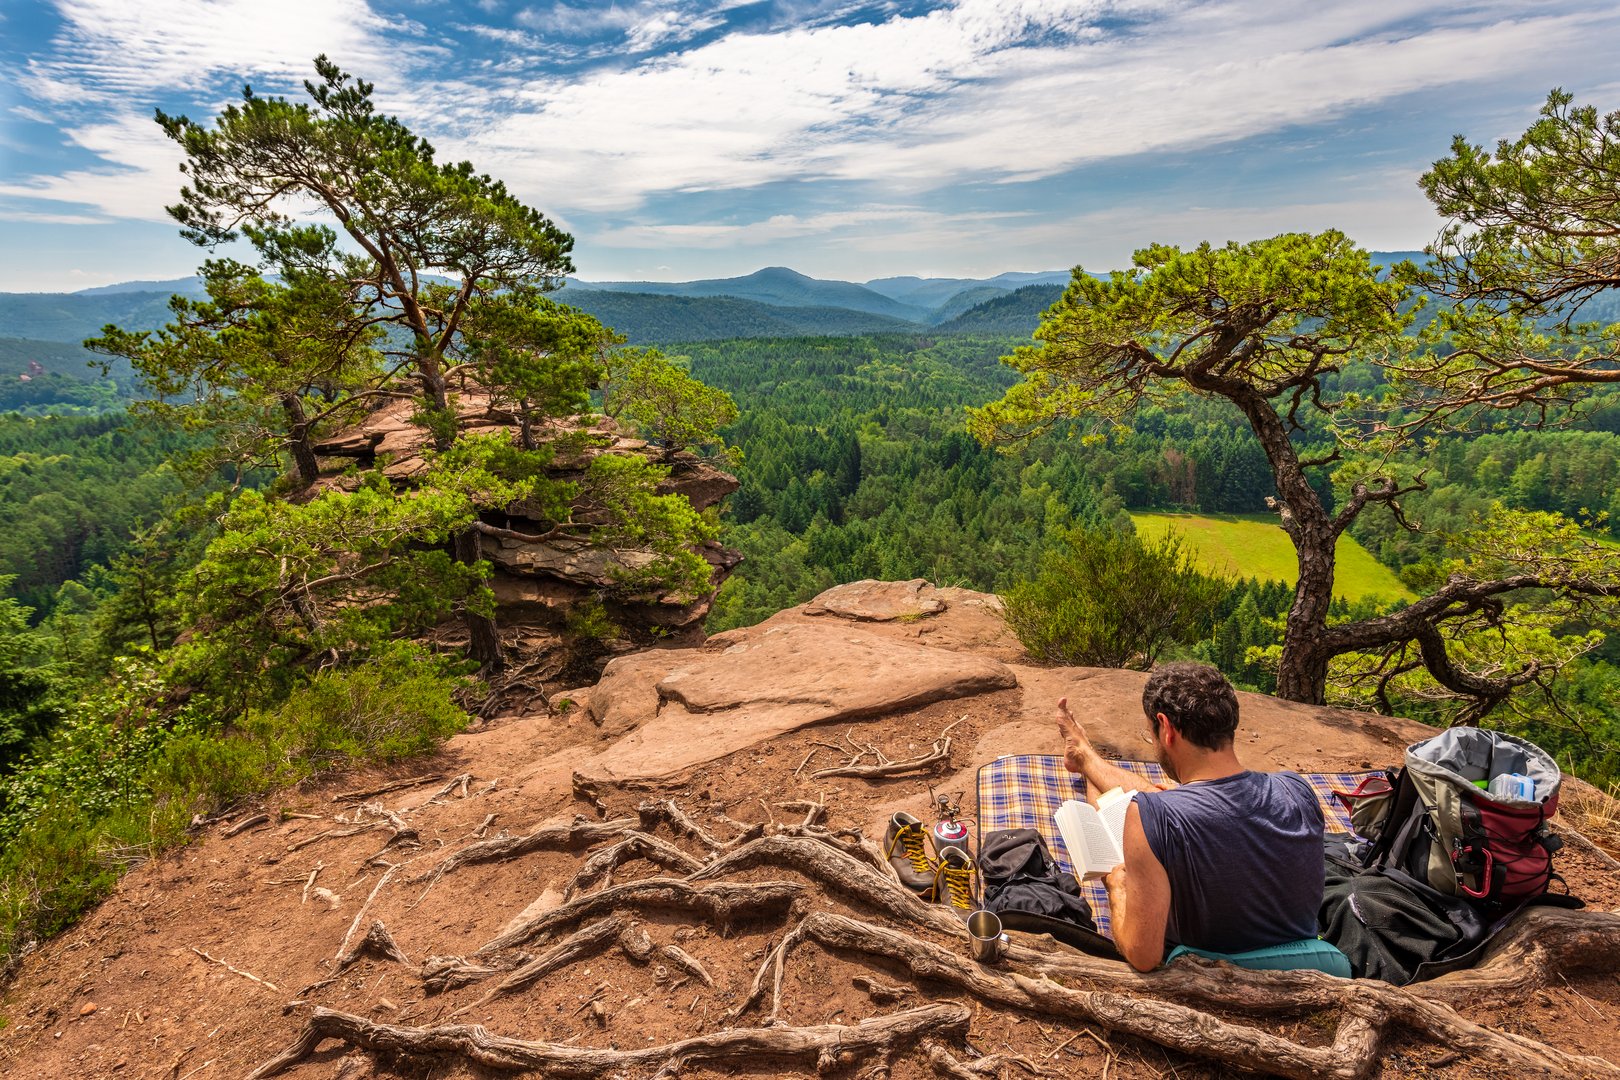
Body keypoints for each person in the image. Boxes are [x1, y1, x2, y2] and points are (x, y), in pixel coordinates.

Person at [1056, 662, 1324, 971]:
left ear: (1166, 728)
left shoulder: (1151, 815)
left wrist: (1117, 888)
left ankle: (1085, 758)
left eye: (1151, 735)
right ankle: (1086, 759)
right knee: (1158, 806)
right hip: (1304, 962)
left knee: (1150, 813)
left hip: (1212, 974)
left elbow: (1144, 956)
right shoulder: (1297, 790)